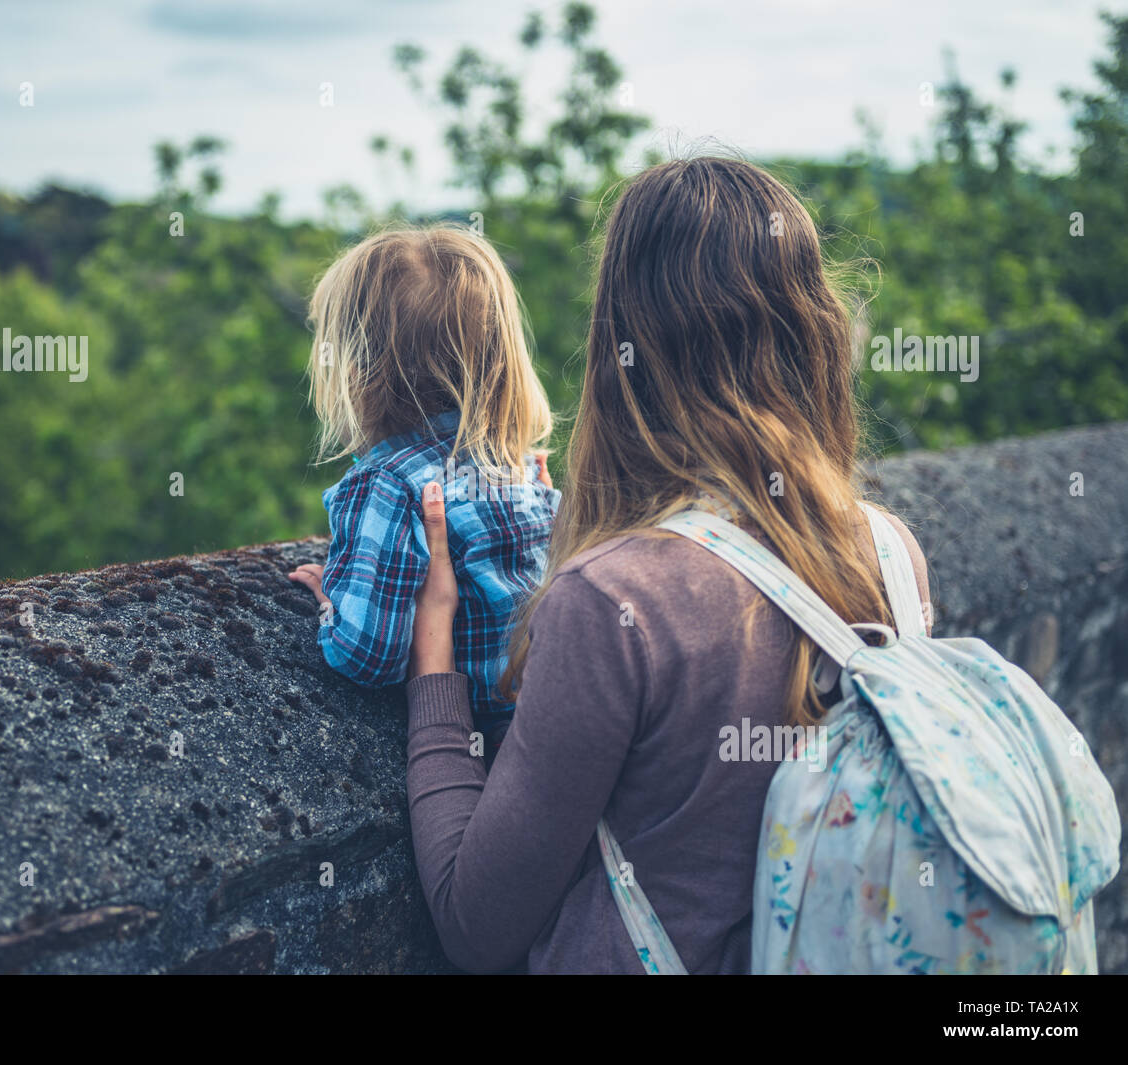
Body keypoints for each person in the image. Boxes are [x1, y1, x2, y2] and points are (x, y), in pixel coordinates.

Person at [402, 157, 932, 974]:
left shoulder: (614, 600)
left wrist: (430, 665)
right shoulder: (892, 553)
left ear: (625, 346)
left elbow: (475, 925)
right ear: (812, 331)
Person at [288, 225, 560, 752]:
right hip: (551, 712)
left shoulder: (387, 482)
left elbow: (369, 655)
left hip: (488, 739)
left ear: (354, 367)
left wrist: (330, 602)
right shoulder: (518, 464)